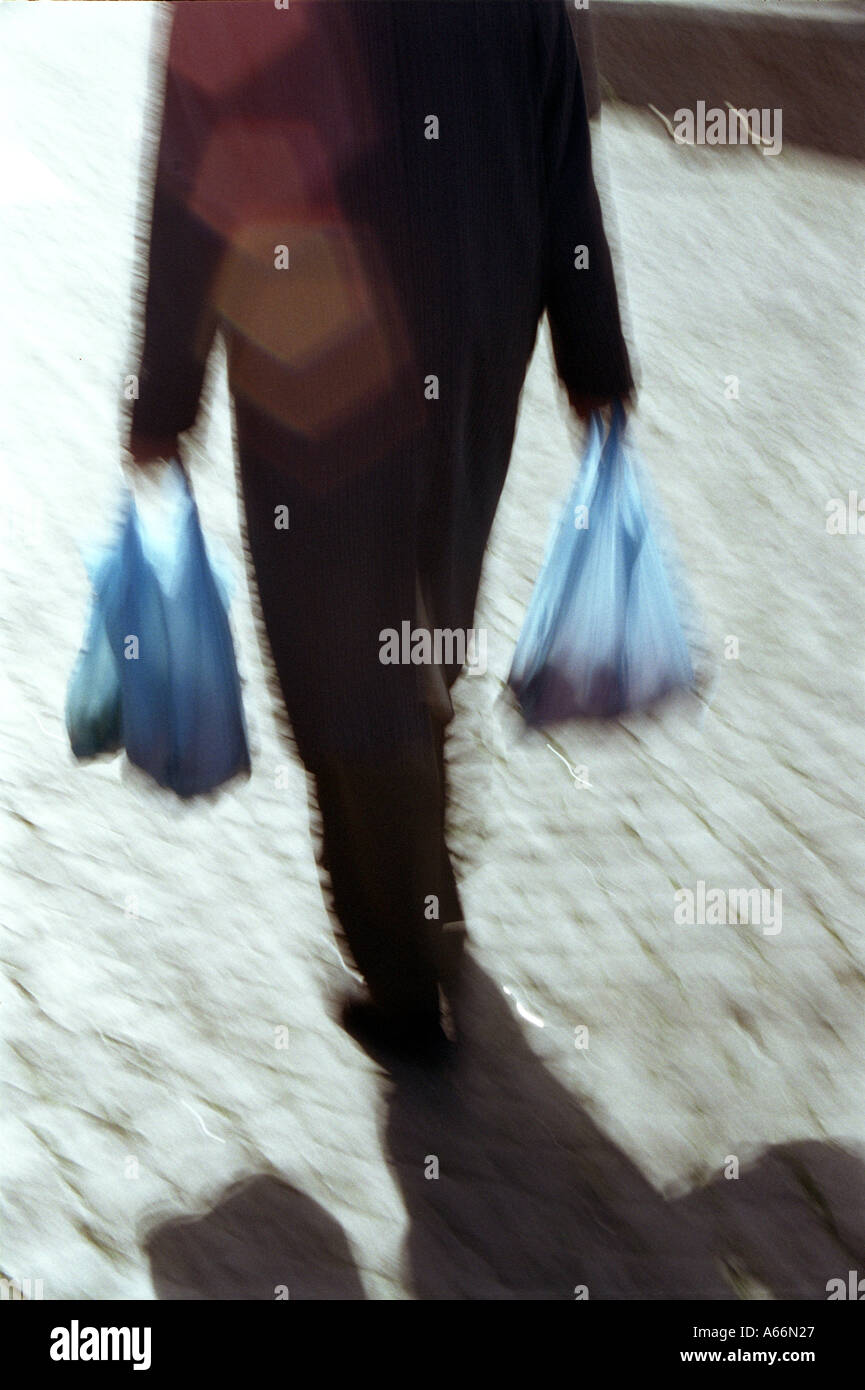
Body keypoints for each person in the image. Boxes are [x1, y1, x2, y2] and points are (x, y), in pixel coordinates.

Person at [126, 0, 634, 1059]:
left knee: (337, 654)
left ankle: (403, 963)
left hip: (315, 343)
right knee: (423, 606)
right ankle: (424, 894)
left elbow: (189, 183)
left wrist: (164, 398)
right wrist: (592, 359)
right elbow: (562, 164)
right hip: (473, 325)